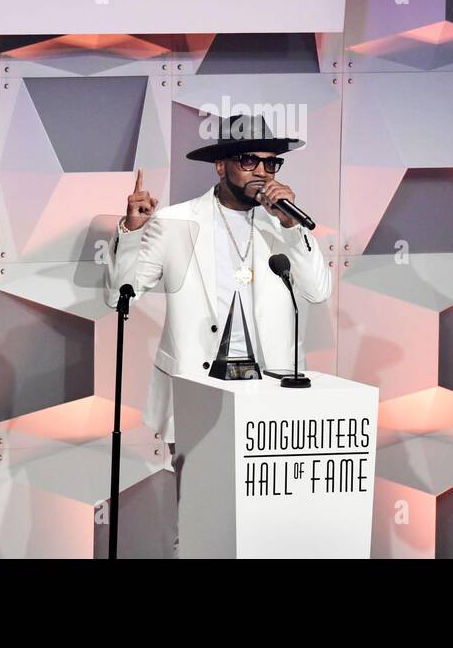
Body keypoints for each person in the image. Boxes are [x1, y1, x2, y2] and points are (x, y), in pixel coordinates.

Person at [104, 114, 332, 552]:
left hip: (271, 395)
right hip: (197, 393)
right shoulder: (175, 222)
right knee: (200, 521)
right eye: (250, 161)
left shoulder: (282, 224)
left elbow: (318, 291)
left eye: (272, 163)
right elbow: (121, 298)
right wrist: (132, 233)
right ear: (221, 165)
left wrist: (290, 227)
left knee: (269, 525)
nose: (262, 172)